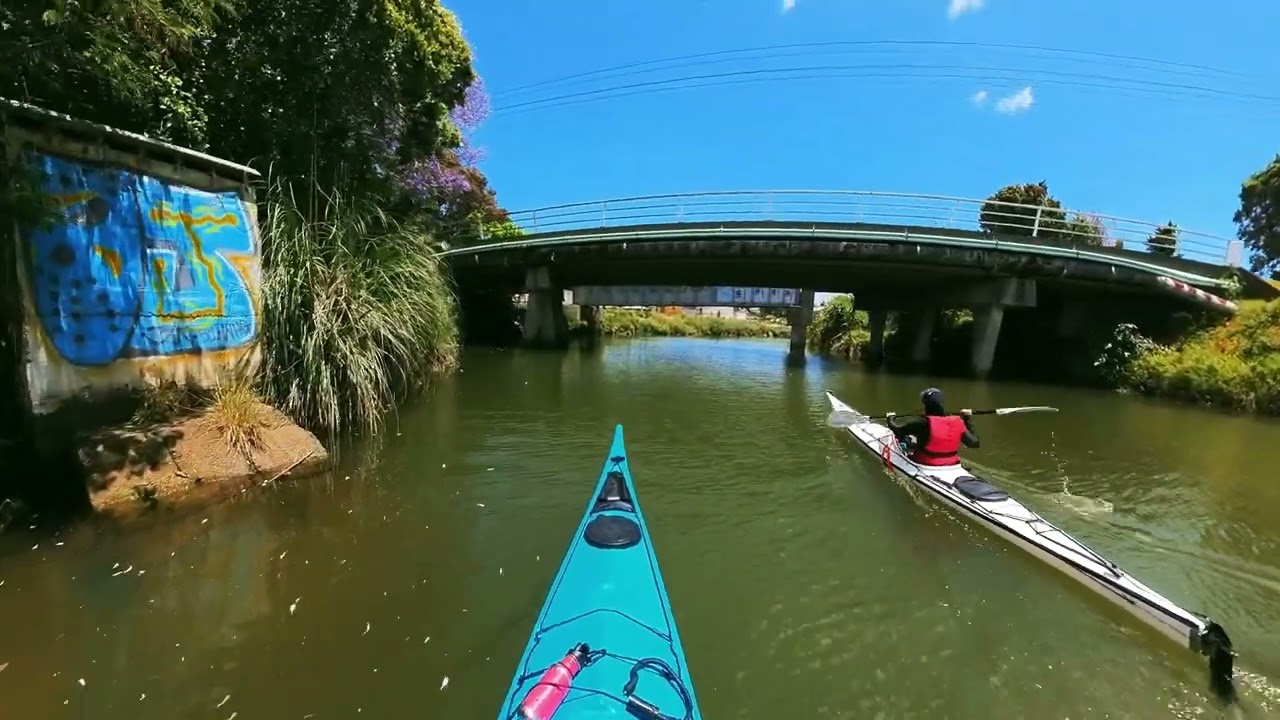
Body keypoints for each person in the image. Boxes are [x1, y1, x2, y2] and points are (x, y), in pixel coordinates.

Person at [885, 387, 979, 466]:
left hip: (925, 464)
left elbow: (897, 430)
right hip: (952, 464)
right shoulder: (958, 422)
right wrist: (967, 419)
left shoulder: (922, 423)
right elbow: (975, 443)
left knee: (906, 438)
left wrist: (890, 419)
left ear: (925, 404)